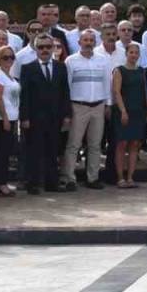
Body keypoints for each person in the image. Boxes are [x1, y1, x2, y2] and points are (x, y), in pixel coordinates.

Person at [18, 36, 70, 194]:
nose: (45, 50)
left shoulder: (61, 67)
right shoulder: (27, 68)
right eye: (41, 47)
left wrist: (67, 115)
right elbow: (24, 95)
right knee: (34, 152)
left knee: (53, 151)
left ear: (53, 48)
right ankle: (32, 184)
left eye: (48, 46)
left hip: (55, 117)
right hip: (34, 118)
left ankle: (51, 183)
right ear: (36, 49)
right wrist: (24, 117)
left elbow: (65, 92)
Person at [65, 29, 112, 190]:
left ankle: (92, 178)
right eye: (85, 40)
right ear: (79, 42)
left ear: (95, 42)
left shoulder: (103, 61)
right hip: (78, 107)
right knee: (73, 145)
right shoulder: (71, 61)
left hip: (98, 106)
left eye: (91, 40)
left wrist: (108, 105)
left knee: (95, 145)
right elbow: (67, 86)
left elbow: (107, 83)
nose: (88, 43)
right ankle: (69, 179)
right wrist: (68, 109)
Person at [111, 43, 147, 188]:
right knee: (122, 144)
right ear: (126, 54)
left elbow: (145, 91)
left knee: (134, 144)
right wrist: (123, 111)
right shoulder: (119, 70)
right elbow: (116, 92)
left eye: (136, 53)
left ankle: (130, 177)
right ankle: (120, 177)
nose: (134, 55)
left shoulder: (141, 71)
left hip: (139, 111)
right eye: (131, 52)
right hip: (124, 112)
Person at [0, 46, 21, 197]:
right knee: (1, 153)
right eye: (5, 57)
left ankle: (3, 182)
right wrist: (5, 118)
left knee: (6, 153)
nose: (9, 60)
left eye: (11, 57)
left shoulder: (10, 75)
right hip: (1, 119)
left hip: (12, 118)